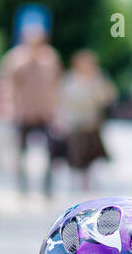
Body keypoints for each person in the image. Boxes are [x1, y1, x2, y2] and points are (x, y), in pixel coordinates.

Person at [0, 22, 62, 198]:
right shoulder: (15, 58)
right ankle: (22, 189)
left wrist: (58, 111)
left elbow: (57, 86)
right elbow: (5, 84)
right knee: (20, 153)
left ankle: (47, 189)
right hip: (22, 113)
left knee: (51, 153)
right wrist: (5, 107)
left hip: (45, 114)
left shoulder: (51, 58)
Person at [49, 49, 116, 192]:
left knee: (92, 154)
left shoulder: (98, 79)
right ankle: (79, 181)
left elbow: (107, 98)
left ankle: (90, 181)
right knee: (77, 154)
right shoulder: (69, 80)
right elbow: (61, 100)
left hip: (92, 123)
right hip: (75, 124)